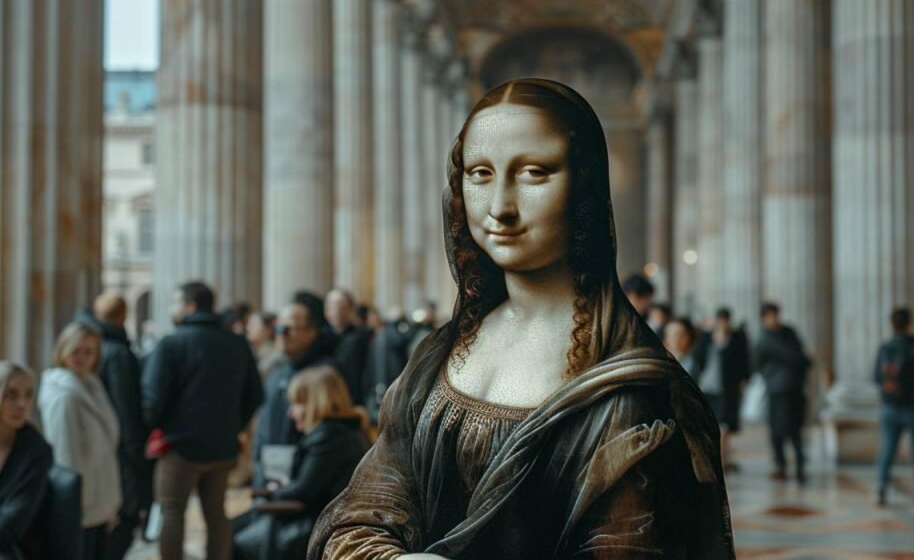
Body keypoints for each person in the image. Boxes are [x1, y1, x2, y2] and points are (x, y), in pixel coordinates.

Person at [309, 78, 733, 558]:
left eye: (534, 172)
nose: (500, 208)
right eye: (480, 173)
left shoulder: (634, 393)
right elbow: (364, 510)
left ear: (584, 184)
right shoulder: (437, 356)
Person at [141, 281, 264, 560]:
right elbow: (255, 395)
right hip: (222, 447)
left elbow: (152, 399)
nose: (172, 309)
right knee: (217, 515)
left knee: (171, 513)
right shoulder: (236, 344)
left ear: (190, 305)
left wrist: (161, 426)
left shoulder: (171, 343)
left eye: (176, 302)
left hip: (178, 448)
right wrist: (233, 425)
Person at [232, 366, 370, 560]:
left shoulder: (330, 437)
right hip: (322, 521)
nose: (291, 413)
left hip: (315, 527)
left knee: (229, 536)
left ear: (315, 403)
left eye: (297, 404)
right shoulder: (345, 433)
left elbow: (304, 491)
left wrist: (274, 492)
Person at [75, 292, 149, 560]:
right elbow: (125, 409)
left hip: (103, 449)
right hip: (116, 453)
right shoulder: (116, 353)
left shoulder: (104, 350)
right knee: (121, 522)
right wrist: (138, 456)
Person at [38, 323, 121, 560]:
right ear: (63, 350)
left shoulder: (92, 384)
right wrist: (77, 501)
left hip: (100, 495)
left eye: (89, 351)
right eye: (76, 351)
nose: (82, 358)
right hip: (83, 501)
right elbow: (64, 452)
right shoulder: (62, 394)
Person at [252, 297, 340, 487]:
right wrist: (258, 462)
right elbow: (263, 423)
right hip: (269, 468)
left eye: (288, 329)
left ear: (311, 331)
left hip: (305, 474)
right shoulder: (276, 372)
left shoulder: (323, 373)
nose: (281, 335)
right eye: (277, 329)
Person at [874, 307, 914, 506]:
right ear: (910, 323)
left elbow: (876, 377)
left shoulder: (885, 348)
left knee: (887, 449)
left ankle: (881, 489)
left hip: (889, 406)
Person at [0, 362, 53, 560]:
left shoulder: (36, 452)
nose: (22, 404)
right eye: (11, 395)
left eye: (28, 395)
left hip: (14, 550)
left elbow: (10, 526)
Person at [754, 302, 811, 483]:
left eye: (775, 315)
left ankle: (800, 465)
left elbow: (801, 358)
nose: (774, 319)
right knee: (777, 430)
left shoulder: (789, 333)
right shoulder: (763, 339)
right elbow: (757, 364)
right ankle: (781, 465)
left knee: (795, 430)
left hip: (794, 388)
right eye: (769, 316)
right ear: (764, 318)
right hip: (776, 390)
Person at [696, 308, 750, 473]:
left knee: (725, 425)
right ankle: (718, 457)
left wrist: (744, 381)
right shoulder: (706, 337)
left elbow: (743, 362)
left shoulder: (737, 338)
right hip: (707, 387)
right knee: (712, 424)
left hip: (727, 388)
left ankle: (722, 457)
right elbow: (698, 357)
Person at [325, 288, 373, 405]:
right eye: (332, 306)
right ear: (326, 311)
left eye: (342, 306)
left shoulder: (361, 338)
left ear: (351, 310)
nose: (337, 311)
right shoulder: (319, 339)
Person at [246, 310, 285, 379]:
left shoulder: (277, 353)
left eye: (253, 324)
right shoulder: (250, 350)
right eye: (248, 324)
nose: (248, 328)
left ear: (268, 328)